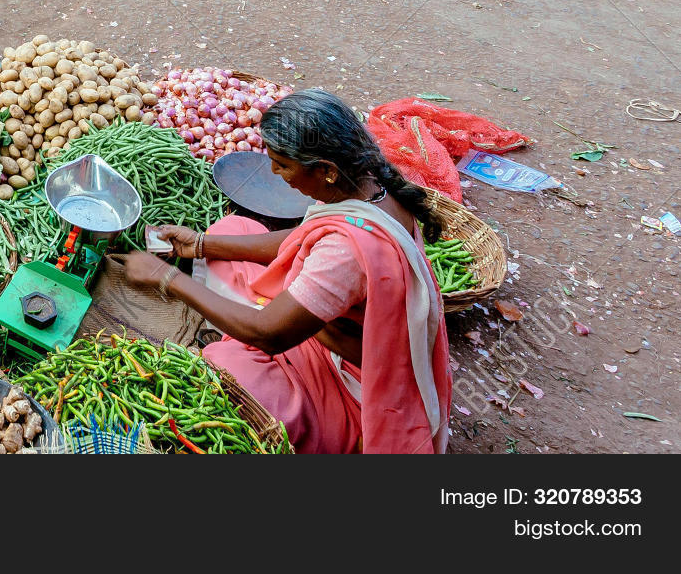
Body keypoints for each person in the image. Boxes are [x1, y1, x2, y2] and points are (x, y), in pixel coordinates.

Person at [120, 90, 452, 454]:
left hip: (348, 375)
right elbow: (297, 239)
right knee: (232, 230)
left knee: (230, 363)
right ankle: (272, 304)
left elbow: (269, 335)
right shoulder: (367, 181)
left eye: (283, 164)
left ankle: (322, 423)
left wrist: (166, 278)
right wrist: (200, 244)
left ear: (326, 170)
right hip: (328, 321)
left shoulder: (346, 252)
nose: (275, 172)